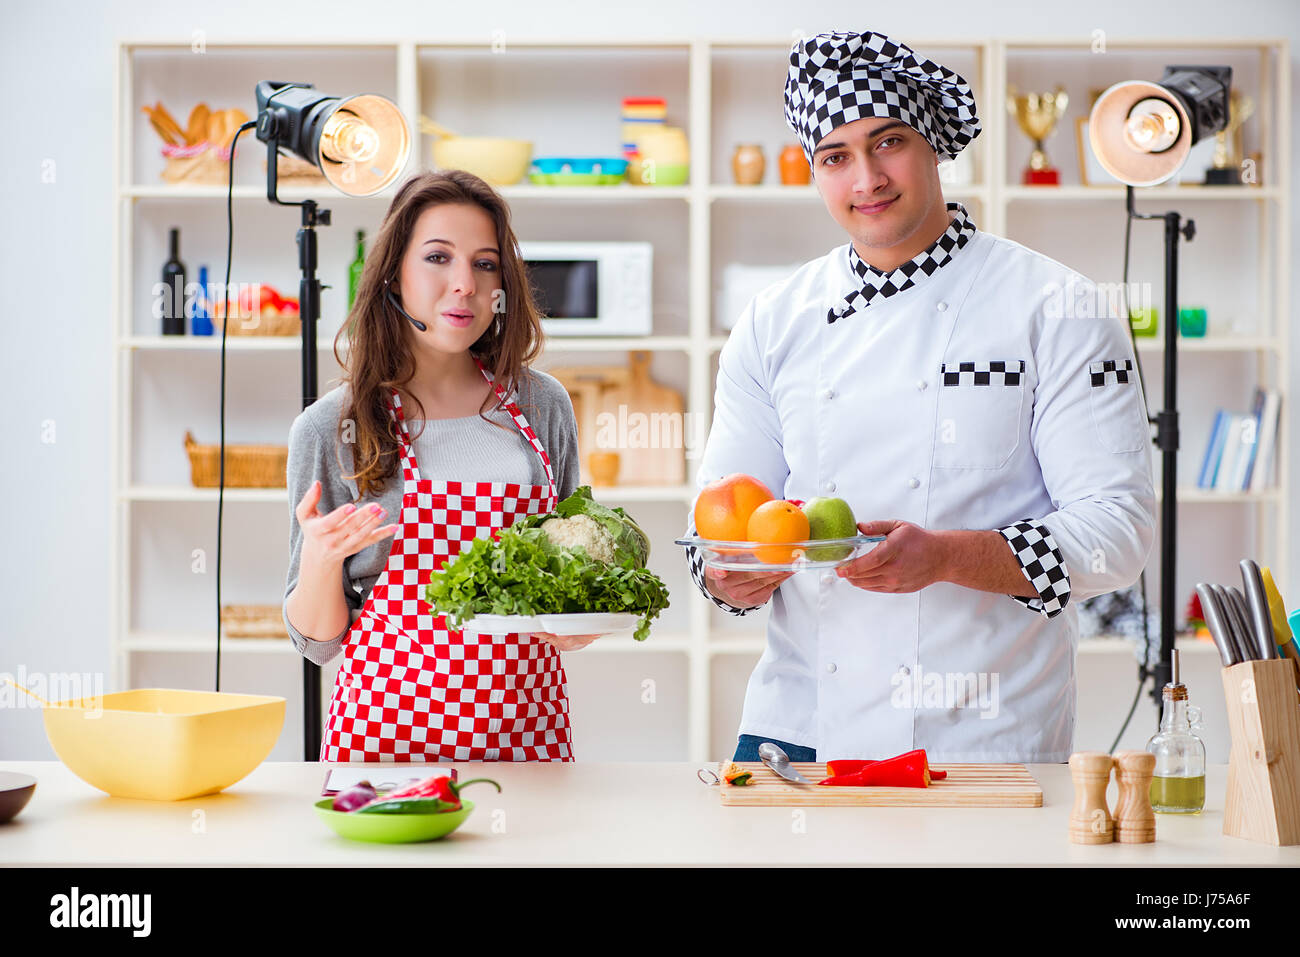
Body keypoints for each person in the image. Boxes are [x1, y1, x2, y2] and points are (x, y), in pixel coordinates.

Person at [684, 31, 1156, 764]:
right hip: (798, 729)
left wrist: (946, 557)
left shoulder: (1060, 306)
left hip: (980, 734)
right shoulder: (772, 321)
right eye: (835, 156)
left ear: (933, 144)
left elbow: (1117, 532)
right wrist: (728, 577)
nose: (866, 176)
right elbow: (724, 518)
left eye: (888, 142)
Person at [283, 169, 602, 762]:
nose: (464, 285)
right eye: (437, 257)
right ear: (392, 275)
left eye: (485, 264)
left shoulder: (542, 406)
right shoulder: (332, 428)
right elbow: (317, 643)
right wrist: (322, 561)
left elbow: (568, 575)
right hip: (383, 753)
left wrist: (579, 617)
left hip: (527, 738)